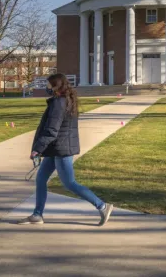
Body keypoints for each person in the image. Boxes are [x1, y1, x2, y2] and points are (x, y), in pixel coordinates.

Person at [17, 73, 114, 226]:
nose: (46, 88)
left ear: (56, 87)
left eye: (49, 85)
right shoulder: (66, 101)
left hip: (62, 149)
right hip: (56, 147)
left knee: (69, 183)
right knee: (41, 179)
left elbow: (51, 131)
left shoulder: (59, 103)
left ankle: (102, 206)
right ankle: (37, 215)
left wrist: (37, 149)